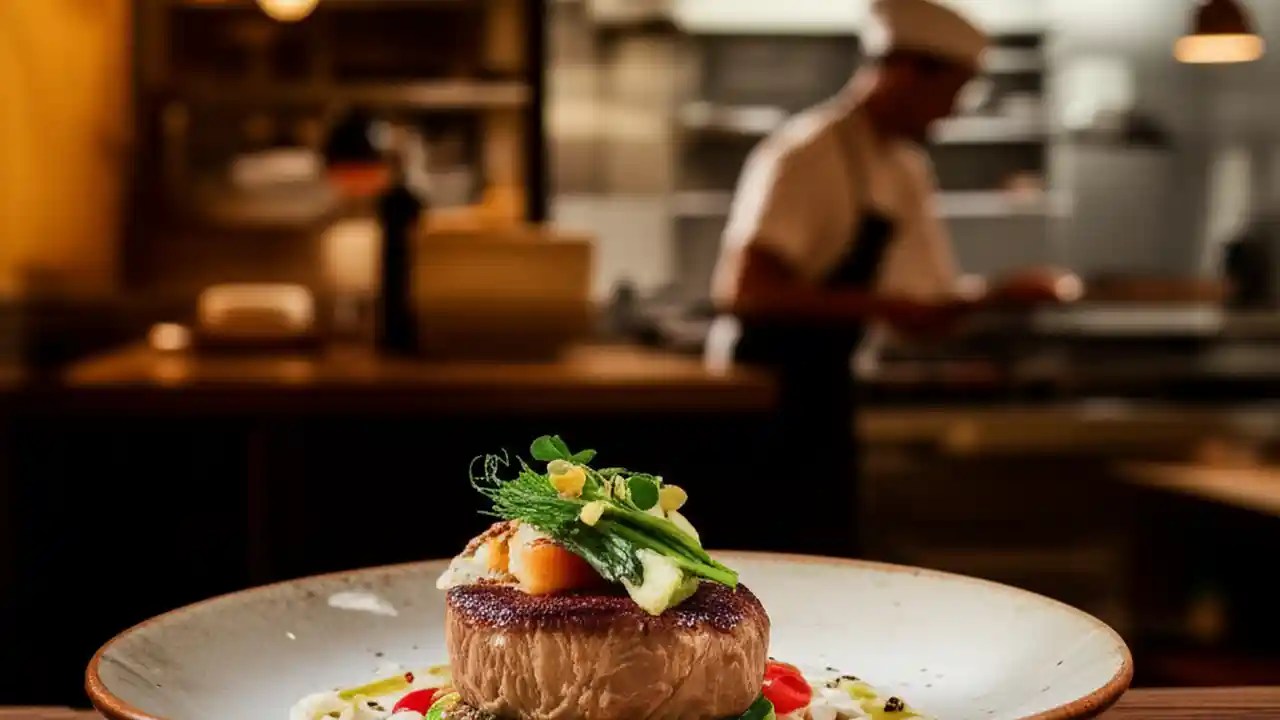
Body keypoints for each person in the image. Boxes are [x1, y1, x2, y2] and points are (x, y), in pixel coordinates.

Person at [707, 0, 1034, 557]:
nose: (952, 110)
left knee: (829, 548)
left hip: (828, 392)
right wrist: (885, 307)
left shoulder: (904, 167)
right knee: (768, 554)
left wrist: (996, 298)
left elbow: (925, 303)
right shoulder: (807, 153)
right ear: (905, 73)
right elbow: (747, 292)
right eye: (951, 91)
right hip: (764, 396)